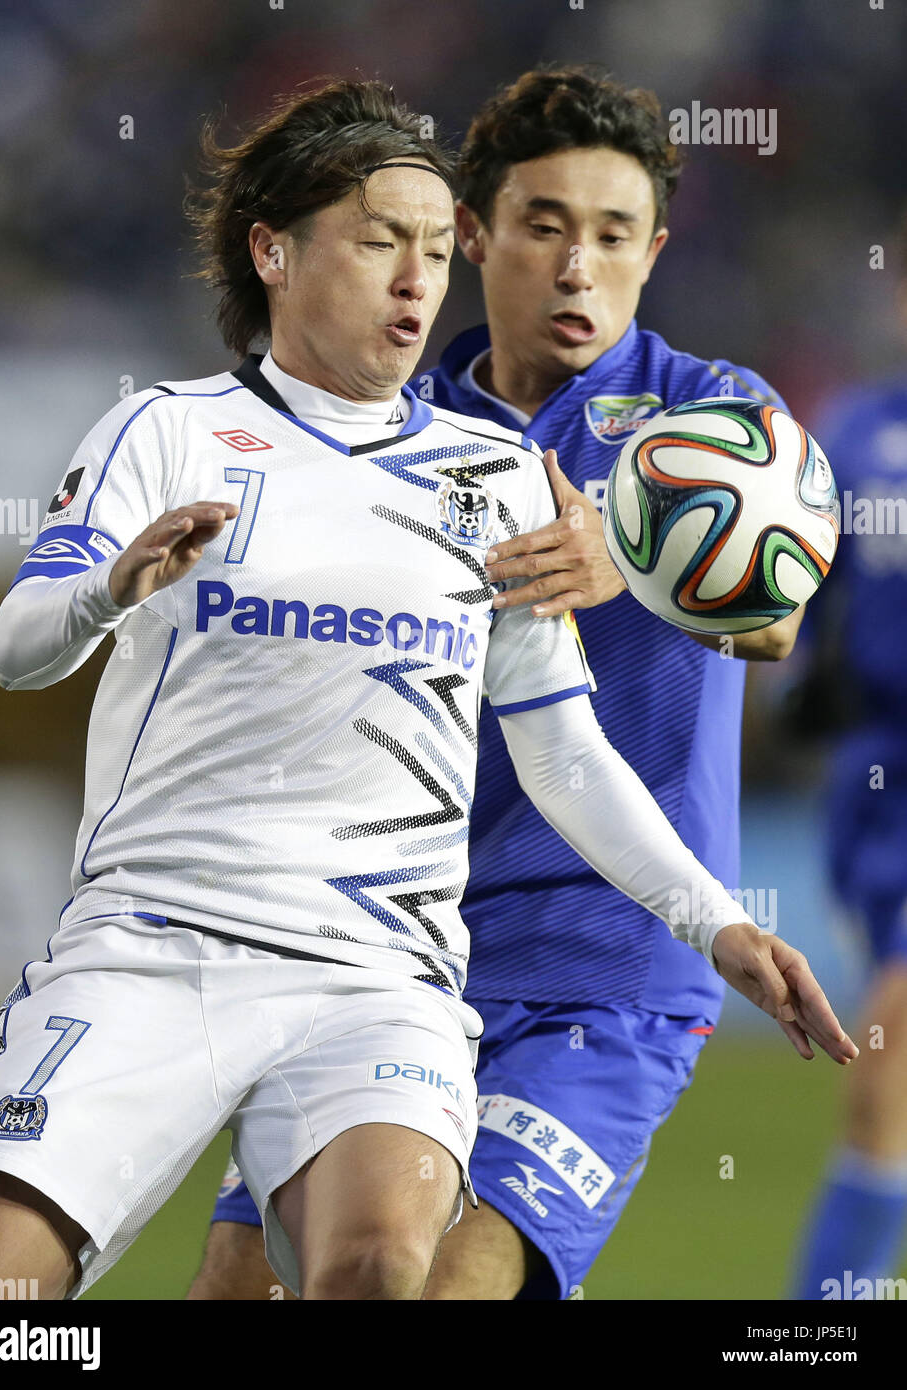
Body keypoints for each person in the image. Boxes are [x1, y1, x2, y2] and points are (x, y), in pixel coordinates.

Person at [186, 68, 848, 1305]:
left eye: (610, 235)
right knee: (240, 1286)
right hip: (388, 955)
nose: (576, 266)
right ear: (475, 234)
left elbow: (779, 623)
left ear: (652, 250)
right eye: (543, 226)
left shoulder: (712, 420)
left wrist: (637, 558)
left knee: (446, 1284)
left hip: (606, 961)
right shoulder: (394, 421)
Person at [789, 257, 907, 1297]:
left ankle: (823, 1319)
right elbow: (789, 610)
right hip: (871, 793)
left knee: (890, 1053)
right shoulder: (853, 437)